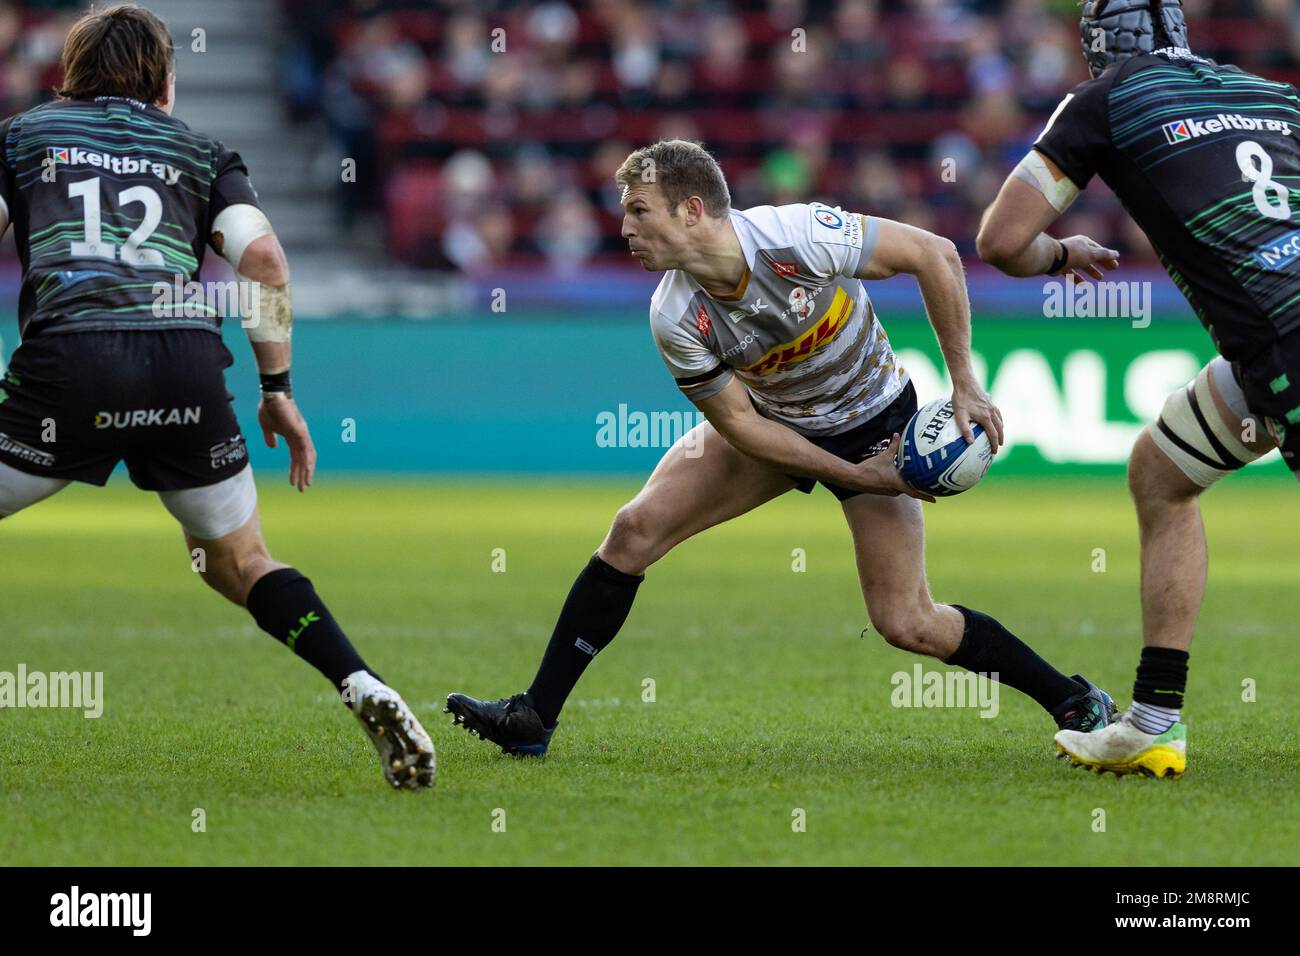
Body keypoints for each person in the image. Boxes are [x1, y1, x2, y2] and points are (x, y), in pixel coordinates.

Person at [447, 138, 1116, 757]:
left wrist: (964, 384)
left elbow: (934, 253)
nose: (625, 229)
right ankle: (535, 717)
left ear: (691, 209)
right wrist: (857, 476)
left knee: (906, 621)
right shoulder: (673, 315)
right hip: (774, 425)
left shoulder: (794, 235)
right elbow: (740, 426)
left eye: (639, 212)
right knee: (633, 530)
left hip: (876, 420)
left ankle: (1072, 699)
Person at [0, 4, 434, 789]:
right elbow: (264, 259)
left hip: (72, 360)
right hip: (184, 366)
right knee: (236, 559)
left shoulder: (23, 136)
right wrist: (277, 390)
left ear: (67, 75)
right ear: (165, 80)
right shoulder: (199, 150)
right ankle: (360, 681)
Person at [977, 0, 1294, 776]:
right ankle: (1153, 719)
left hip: (1282, 340)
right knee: (1162, 471)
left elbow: (999, 240)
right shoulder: (1271, 93)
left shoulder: (1105, 98)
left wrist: (1060, 258)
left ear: (1097, 45)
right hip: (1266, 351)